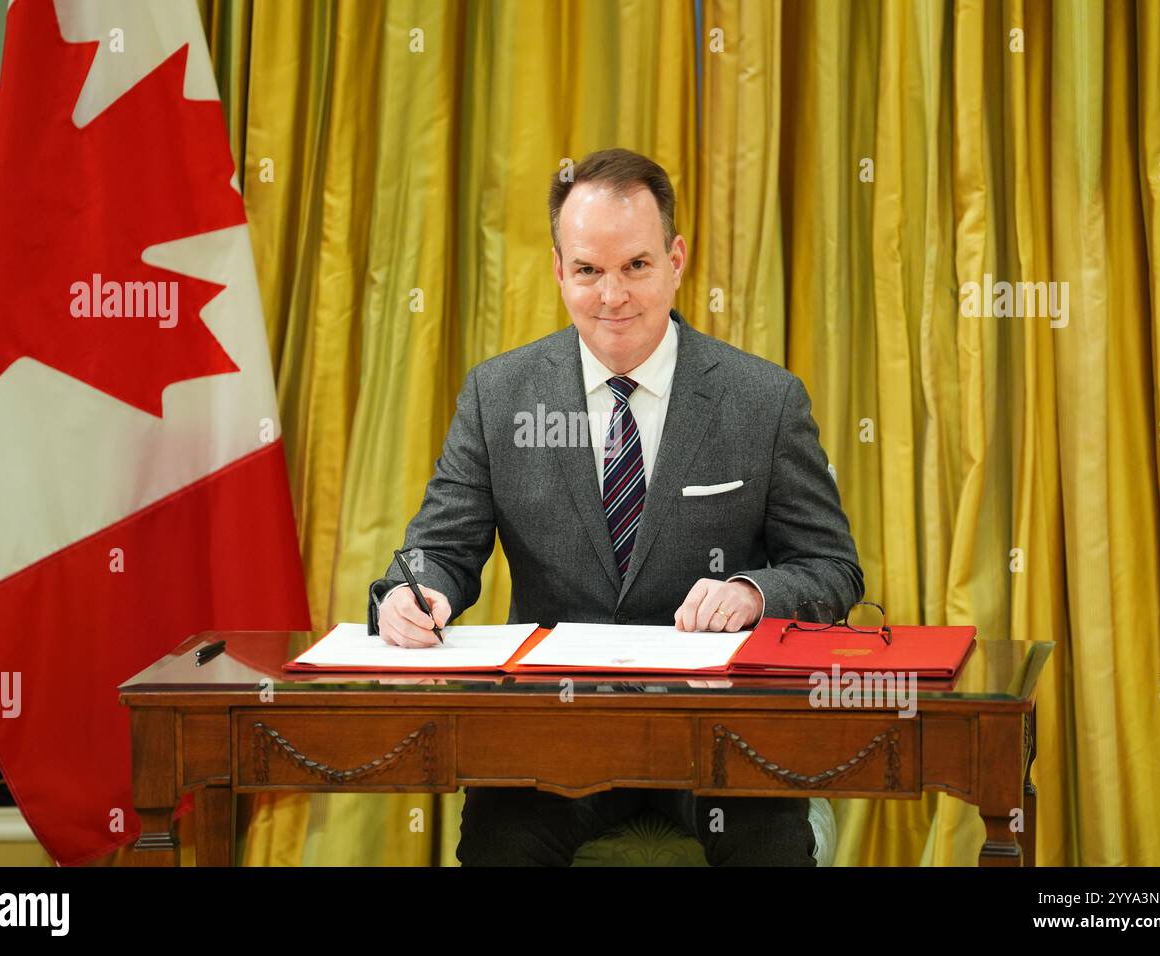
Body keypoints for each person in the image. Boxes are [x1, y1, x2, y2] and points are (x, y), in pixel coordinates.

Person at [367, 147, 863, 865]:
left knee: (769, 846)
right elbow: (437, 551)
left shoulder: (765, 402)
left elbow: (832, 569)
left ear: (676, 259)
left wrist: (756, 592)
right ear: (558, 270)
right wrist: (411, 596)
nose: (613, 296)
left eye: (636, 266)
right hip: (554, 733)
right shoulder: (498, 396)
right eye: (589, 271)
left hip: (720, 733)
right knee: (499, 846)